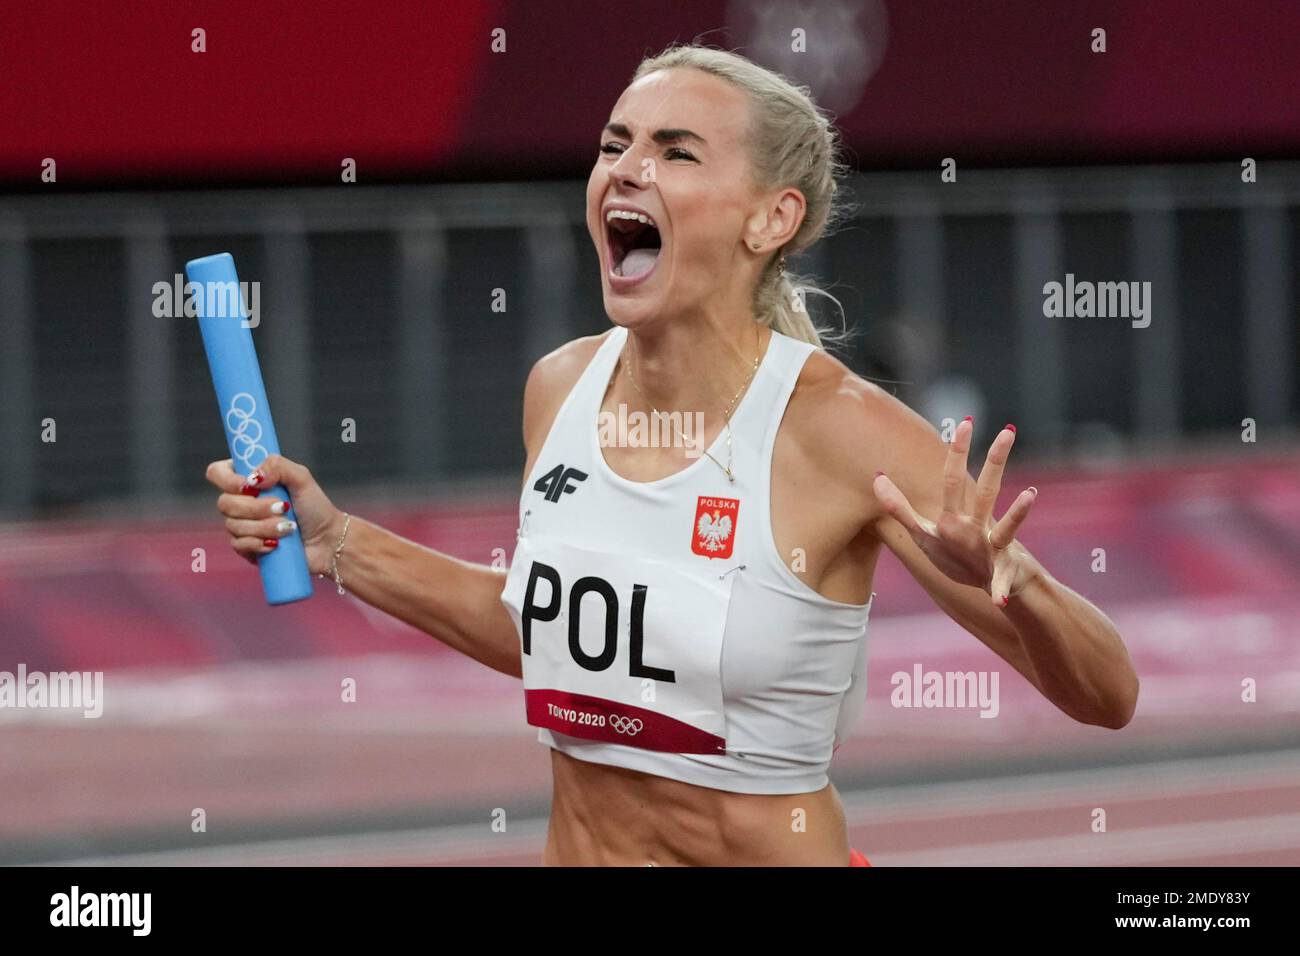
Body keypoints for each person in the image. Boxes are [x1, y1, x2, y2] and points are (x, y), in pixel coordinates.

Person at [206, 43, 1139, 866]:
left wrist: (1015, 585)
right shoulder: (560, 387)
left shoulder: (841, 430)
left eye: (674, 151)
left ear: (771, 219)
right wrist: (338, 545)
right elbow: (555, 638)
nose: (626, 170)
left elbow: (1109, 697)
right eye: (615, 144)